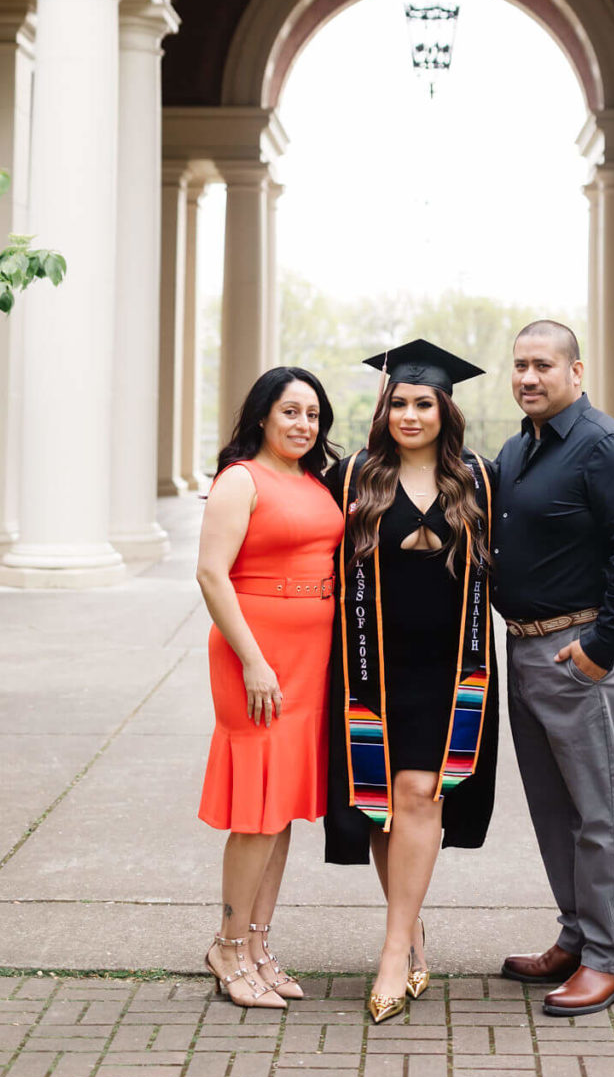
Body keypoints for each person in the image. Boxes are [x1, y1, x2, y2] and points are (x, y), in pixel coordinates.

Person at [325, 339, 499, 1023]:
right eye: (397, 402)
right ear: (383, 408)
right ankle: (412, 927)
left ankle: (393, 950)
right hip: (370, 664)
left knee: (422, 794)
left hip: (449, 668)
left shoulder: (479, 480)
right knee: (382, 805)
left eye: (422, 402)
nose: (409, 413)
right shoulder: (351, 478)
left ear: (444, 408)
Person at [493, 320, 614, 1018]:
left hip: (579, 654)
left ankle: (611, 958)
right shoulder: (518, 449)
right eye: (519, 366)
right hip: (525, 649)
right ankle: (576, 935)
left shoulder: (601, 448)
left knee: (598, 813)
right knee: (553, 810)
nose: (529, 378)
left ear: (576, 371)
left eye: (543, 365)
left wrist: (602, 647)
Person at [196, 366, 344, 1010]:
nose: (303, 424)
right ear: (262, 415)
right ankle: (227, 947)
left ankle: (257, 945)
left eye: (313, 414)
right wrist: (254, 660)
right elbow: (211, 575)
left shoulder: (314, 481)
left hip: (311, 659)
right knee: (257, 808)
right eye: (290, 412)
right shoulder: (241, 479)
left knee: (280, 809)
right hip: (257, 657)